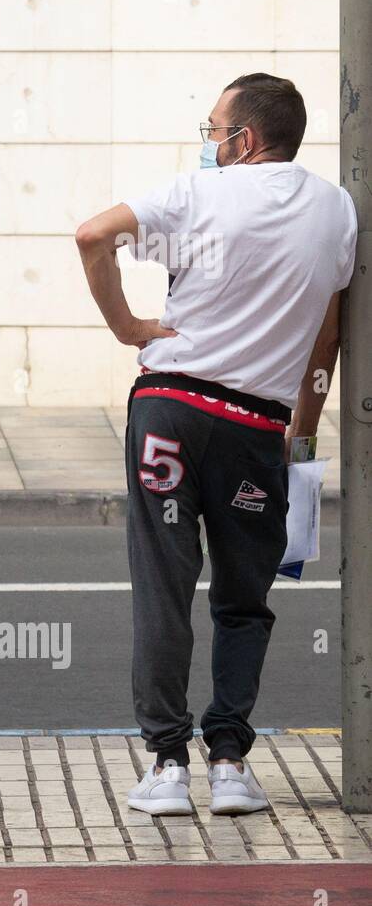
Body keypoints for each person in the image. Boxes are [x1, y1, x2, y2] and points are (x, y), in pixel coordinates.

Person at [75, 73, 357, 817]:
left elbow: (92, 235)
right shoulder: (337, 211)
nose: (209, 143)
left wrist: (128, 327)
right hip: (257, 426)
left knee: (164, 588)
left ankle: (167, 765)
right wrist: (304, 427)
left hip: (170, 409)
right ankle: (229, 761)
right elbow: (326, 333)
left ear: (245, 138)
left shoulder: (196, 194)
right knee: (244, 599)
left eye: (214, 130)